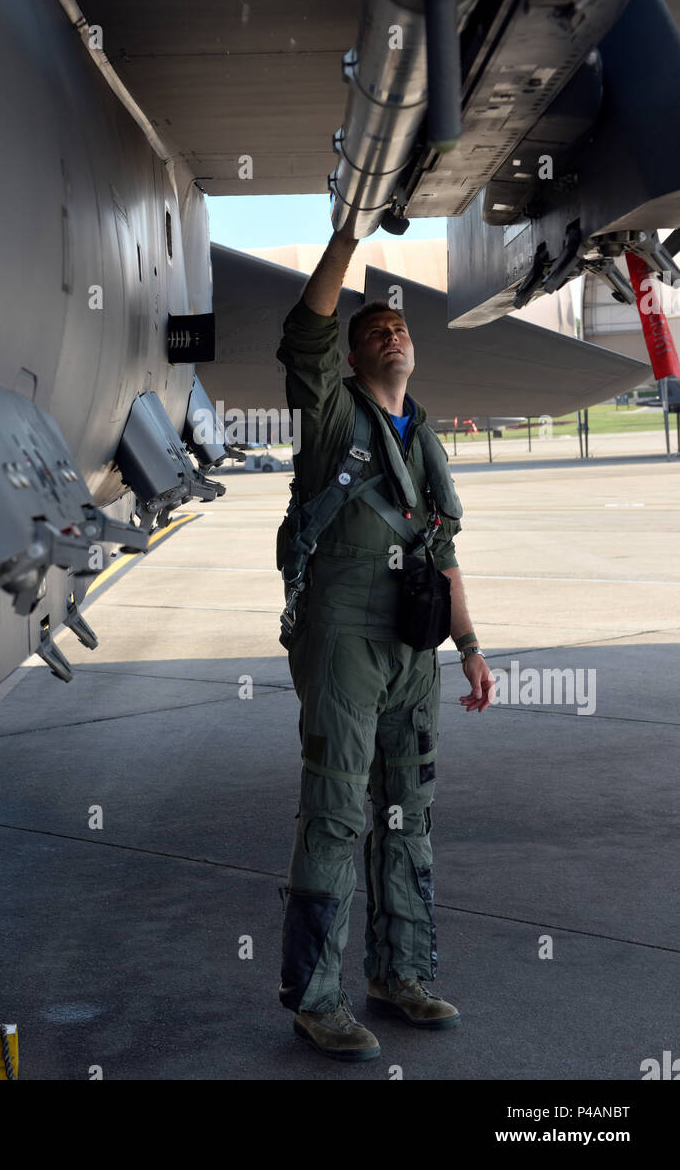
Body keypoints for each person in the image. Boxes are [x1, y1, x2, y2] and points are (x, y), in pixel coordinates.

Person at [277, 228, 495, 1062]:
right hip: (344, 644)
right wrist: (347, 232)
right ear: (357, 356)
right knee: (335, 817)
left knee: (407, 819)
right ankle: (315, 998)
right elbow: (307, 330)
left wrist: (468, 644)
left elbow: (441, 551)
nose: (392, 335)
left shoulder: (422, 437)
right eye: (375, 332)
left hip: (415, 651)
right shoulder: (334, 421)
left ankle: (399, 974)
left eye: (399, 329)